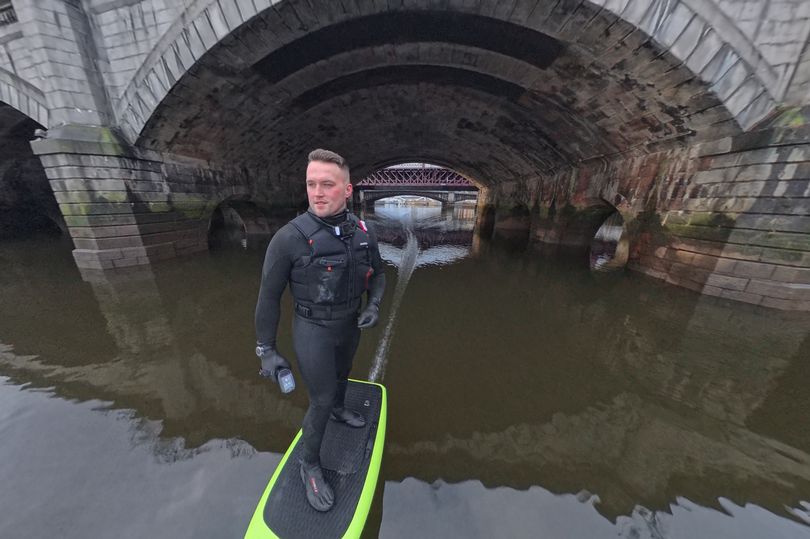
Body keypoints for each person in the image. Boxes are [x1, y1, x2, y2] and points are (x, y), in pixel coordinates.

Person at [254, 149, 386, 512]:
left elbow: (379, 275)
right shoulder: (289, 238)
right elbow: (268, 297)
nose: (317, 192)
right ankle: (309, 464)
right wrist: (266, 349)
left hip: (350, 323)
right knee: (321, 398)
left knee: (343, 375)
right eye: (311, 184)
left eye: (327, 184)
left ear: (347, 190)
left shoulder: (364, 232)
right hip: (313, 328)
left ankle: (341, 409)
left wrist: (373, 305)